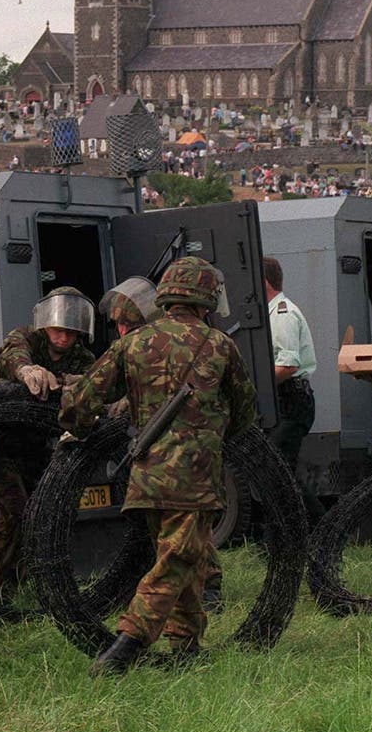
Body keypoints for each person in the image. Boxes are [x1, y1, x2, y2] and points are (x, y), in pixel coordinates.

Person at [59, 257, 258, 674]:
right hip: (195, 478)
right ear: (206, 300)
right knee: (177, 560)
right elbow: (246, 412)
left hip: (145, 475)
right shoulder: (220, 345)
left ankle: (185, 647)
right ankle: (126, 645)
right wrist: (212, 429)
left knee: (182, 555)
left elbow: (81, 402)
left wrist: (78, 428)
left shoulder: (133, 343)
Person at [0, 286, 96, 597]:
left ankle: (34, 584)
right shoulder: (26, 339)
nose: (63, 338)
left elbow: (94, 384)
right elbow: (11, 352)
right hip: (5, 445)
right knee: (15, 512)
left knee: (41, 516)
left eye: (71, 332)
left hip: (42, 446)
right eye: (58, 330)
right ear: (45, 324)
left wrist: (67, 385)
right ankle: (2, 588)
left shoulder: (82, 358)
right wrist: (27, 370)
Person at [262, 257, 323, 520]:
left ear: (263, 282)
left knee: (276, 470)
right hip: (283, 401)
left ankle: (323, 527)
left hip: (291, 401)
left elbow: (287, 365)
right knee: (278, 472)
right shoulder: (272, 312)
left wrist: (256, 387)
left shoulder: (282, 314)